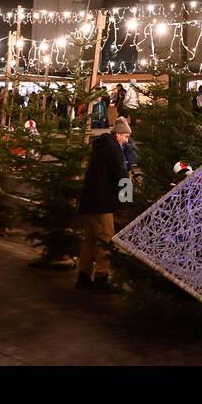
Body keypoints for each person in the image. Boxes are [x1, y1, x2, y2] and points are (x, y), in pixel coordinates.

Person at [76, 118, 131, 293]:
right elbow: (121, 174)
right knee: (106, 239)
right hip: (102, 202)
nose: (127, 140)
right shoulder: (113, 148)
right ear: (118, 134)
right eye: (126, 136)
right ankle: (101, 277)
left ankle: (83, 277)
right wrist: (127, 199)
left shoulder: (100, 146)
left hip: (90, 200)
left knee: (90, 240)